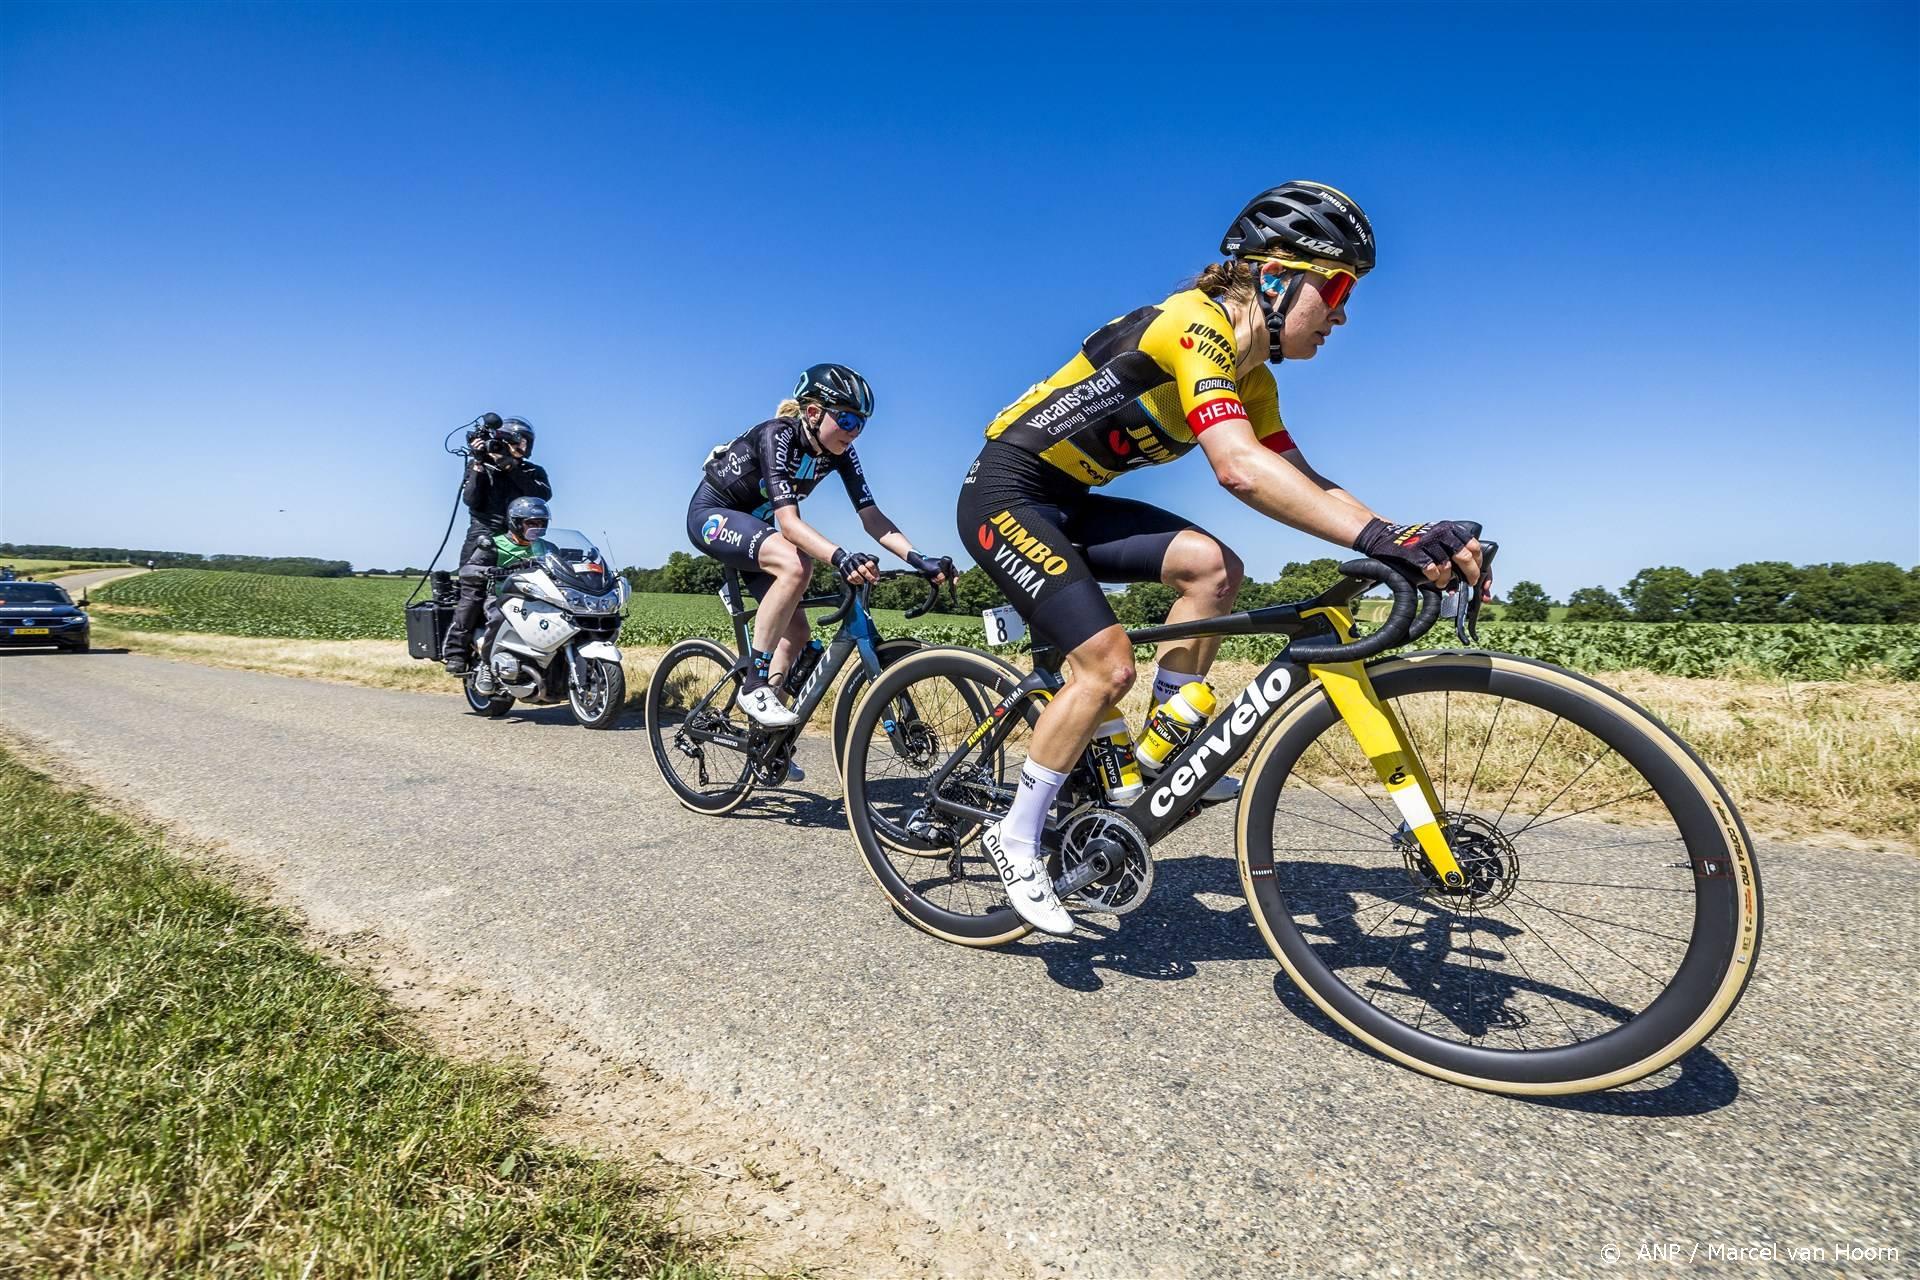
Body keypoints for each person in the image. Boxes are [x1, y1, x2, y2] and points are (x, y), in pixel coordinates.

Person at [955, 181, 1483, 935]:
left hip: (1073, 500)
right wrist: (1376, 541)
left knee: (1213, 567)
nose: (1342, 313)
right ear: (1272, 277)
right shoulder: (1190, 323)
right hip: (1007, 493)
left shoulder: (1252, 378)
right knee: (1106, 668)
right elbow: (1236, 467)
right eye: (1334, 288)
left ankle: (1160, 753)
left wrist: (1405, 536)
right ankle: (1015, 838)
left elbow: (1303, 480)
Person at [687, 363, 955, 729]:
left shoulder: (839, 453)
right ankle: (754, 685)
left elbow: (872, 516)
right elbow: (790, 524)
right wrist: (840, 557)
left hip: (755, 531)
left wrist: (919, 558)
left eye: (861, 424)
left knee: (797, 636)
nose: (855, 432)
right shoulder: (776, 436)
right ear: (814, 413)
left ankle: (765, 740)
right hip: (713, 516)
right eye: (846, 421)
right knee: (796, 564)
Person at [443, 414, 551, 674]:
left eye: (526, 443)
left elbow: (542, 495)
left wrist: (510, 467)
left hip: (522, 539)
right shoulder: (481, 466)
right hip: (485, 539)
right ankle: (456, 652)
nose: (522, 447)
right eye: (518, 442)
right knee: (473, 592)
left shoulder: (531, 471)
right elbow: (471, 500)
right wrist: (479, 464)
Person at [464, 495, 552, 693]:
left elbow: (563, 563)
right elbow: (467, 569)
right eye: (531, 523)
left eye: (541, 523)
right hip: (502, 597)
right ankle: (486, 667)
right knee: (498, 618)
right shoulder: (494, 545)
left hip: (538, 596)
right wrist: (486, 571)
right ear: (516, 523)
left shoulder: (545, 547)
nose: (537, 527)